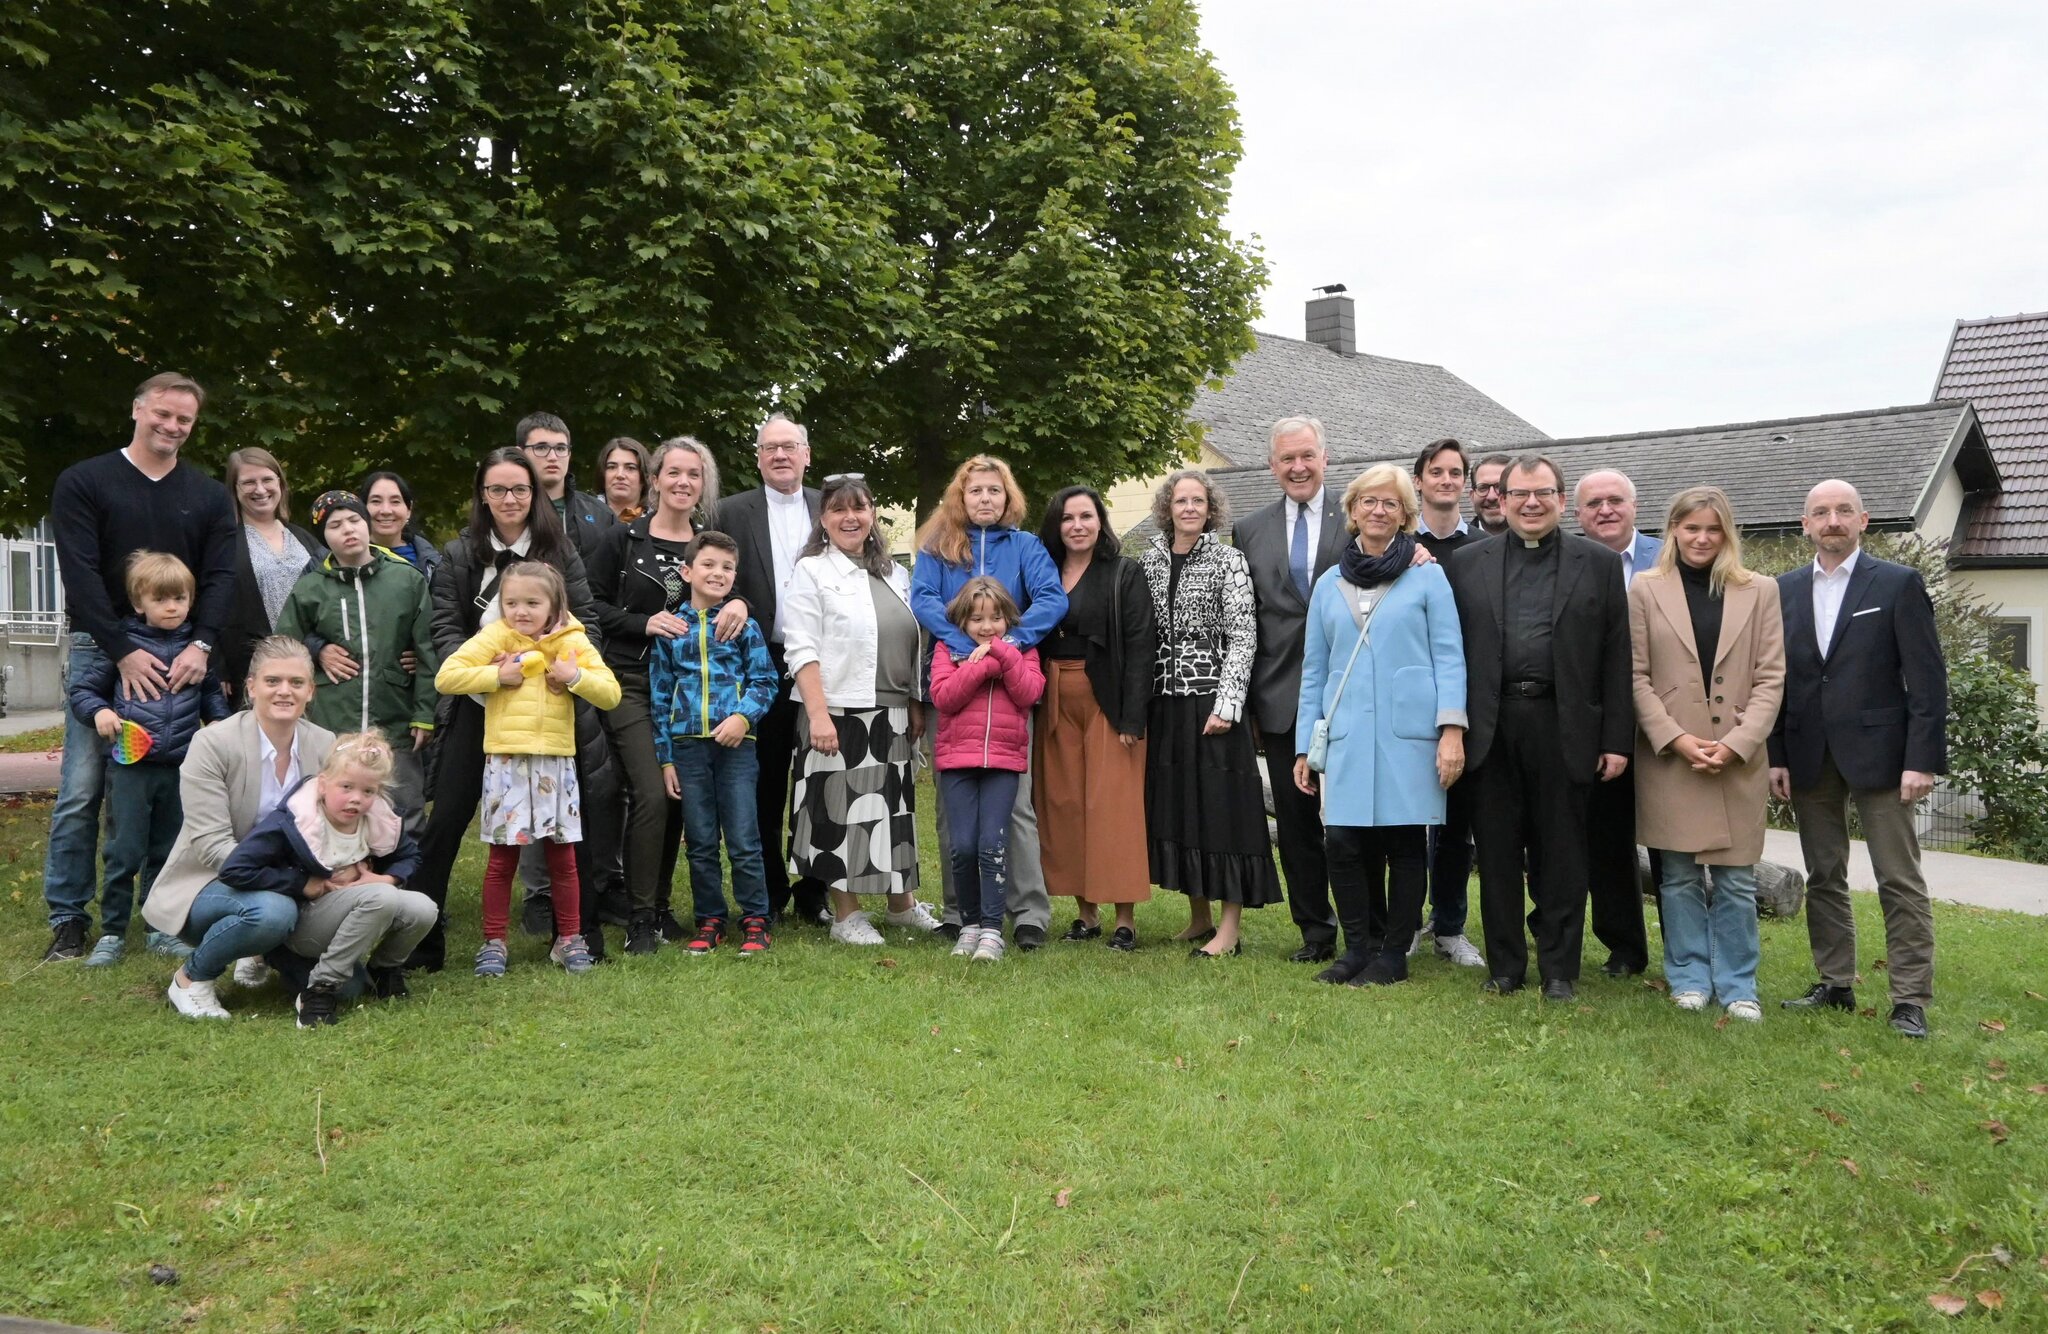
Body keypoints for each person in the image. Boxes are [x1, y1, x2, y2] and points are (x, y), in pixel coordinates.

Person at [44, 372, 237, 963]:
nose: (172, 426)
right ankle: (69, 917)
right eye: (163, 413)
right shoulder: (85, 481)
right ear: (137, 410)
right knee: (82, 789)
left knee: (171, 794)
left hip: (182, 654)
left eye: (184, 419)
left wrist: (201, 645)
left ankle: (161, 913)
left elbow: (220, 576)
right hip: (101, 648)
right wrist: (122, 650)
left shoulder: (209, 496)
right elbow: (78, 572)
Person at [407, 447, 607, 970]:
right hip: (480, 701)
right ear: (482, 495)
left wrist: (566, 672)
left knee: (570, 829)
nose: (509, 498)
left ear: (534, 493)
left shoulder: (560, 550)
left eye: (519, 488)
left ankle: (576, 936)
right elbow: (445, 627)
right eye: (497, 489)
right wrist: (489, 675)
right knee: (447, 817)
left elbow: (586, 621)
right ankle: (417, 939)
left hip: (550, 704)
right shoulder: (459, 554)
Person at [1449, 453, 1631, 1001]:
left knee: (1563, 855)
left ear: (1561, 500)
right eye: (1520, 494)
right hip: (1491, 726)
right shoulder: (1466, 563)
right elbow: (1448, 652)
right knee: (1497, 853)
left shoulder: (1598, 563)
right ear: (1501, 500)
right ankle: (1505, 966)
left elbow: (1617, 657)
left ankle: (1559, 969)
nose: (1531, 503)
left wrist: (1616, 739)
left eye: (1543, 493)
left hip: (1564, 725)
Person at [1768, 479, 1947, 1039]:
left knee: (1898, 877)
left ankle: (1910, 999)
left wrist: (1922, 759)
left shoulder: (1896, 583)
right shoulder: (1782, 590)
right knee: (1824, 874)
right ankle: (1835, 982)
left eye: (1844, 510)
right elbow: (1775, 681)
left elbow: (1927, 679)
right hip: (1808, 753)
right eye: (1821, 512)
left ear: (1863, 520)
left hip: (1884, 756)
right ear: (1805, 525)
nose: (1833, 521)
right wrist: (1776, 754)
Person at [1292, 465, 1467, 986]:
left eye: (1391, 503)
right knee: (1342, 841)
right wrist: (1304, 747)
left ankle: (1393, 954)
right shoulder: (1328, 584)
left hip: (1407, 734)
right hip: (1346, 733)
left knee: (1405, 843)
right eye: (1369, 501)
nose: (1378, 510)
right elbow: (1314, 669)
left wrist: (1451, 730)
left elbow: (1450, 657)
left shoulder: (1428, 576)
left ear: (1405, 514)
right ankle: (1356, 949)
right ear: (1352, 510)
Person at [587, 436, 751, 952]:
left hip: (692, 693)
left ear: (704, 484)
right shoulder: (622, 540)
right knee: (653, 792)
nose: (683, 482)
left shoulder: (708, 544)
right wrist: (643, 622)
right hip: (633, 682)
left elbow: (724, 590)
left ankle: (660, 907)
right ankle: (639, 917)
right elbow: (587, 606)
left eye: (694, 474)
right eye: (673, 472)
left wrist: (741, 603)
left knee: (681, 796)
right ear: (655, 479)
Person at [1630, 487, 1785, 1022]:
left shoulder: (1760, 590)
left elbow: (1771, 677)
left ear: (1727, 533)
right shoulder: (1645, 588)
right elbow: (1636, 676)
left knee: (1737, 881)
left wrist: (1739, 744)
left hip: (1737, 757)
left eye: (1712, 529)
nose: (1701, 538)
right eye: (1691, 527)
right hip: (1672, 757)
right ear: (1673, 529)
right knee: (1677, 878)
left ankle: (1739, 984)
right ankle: (1689, 977)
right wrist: (1674, 738)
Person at [434, 560, 620, 976]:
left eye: (533, 603)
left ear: (555, 605)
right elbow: (446, 677)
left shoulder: (573, 640)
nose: (520, 611)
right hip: (506, 762)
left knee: (563, 859)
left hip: (556, 762)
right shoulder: (495, 635)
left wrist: (574, 677)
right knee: (502, 860)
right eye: (511, 602)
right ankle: (494, 942)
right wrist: (496, 675)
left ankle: (568, 939)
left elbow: (610, 694)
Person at [911, 456, 1066, 948]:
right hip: (952, 685)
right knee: (952, 811)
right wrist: (963, 647)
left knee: (1015, 807)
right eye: (975, 490)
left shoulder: (1026, 546)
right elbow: (924, 599)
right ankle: (960, 912)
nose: (985, 498)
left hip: (1009, 690)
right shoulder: (938, 547)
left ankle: (1027, 912)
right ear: (961, 496)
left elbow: (1051, 598)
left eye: (994, 490)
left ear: (1007, 497)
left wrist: (1008, 646)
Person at [141, 636, 332, 1019]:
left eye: (296, 682)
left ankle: (260, 952)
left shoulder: (325, 744)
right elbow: (212, 846)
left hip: (294, 883)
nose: (284, 691)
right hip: (209, 881)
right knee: (273, 913)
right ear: (251, 687)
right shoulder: (212, 743)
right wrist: (293, 882)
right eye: (272, 681)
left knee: (351, 986)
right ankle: (190, 980)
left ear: (310, 691)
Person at [782, 475, 930, 944]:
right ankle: (846, 916)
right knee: (840, 815)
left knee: (893, 811)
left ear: (872, 514)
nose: (851, 517)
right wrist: (818, 714)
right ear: (823, 519)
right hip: (838, 712)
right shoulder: (811, 571)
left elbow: (911, 642)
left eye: (859, 508)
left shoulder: (894, 573)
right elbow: (801, 648)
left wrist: (914, 702)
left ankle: (902, 906)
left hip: (893, 710)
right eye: (839, 510)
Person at [1142, 470, 1283, 956]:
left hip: (1213, 702)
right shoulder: (1149, 560)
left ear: (1210, 509)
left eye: (1197, 501)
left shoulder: (1229, 559)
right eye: (1180, 500)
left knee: (1224, 811)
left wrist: (1229, 704)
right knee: (1183, 808)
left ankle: (1229, 927)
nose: (1189, 508)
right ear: (1167, 507)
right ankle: (1199, 916)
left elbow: (1243, 636)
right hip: (1165, 703)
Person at [67, 551, 231, 965]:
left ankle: (159, 927)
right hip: (130, 768)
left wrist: (219, 724)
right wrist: (100, 712)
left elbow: (212, 696)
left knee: (167, 852)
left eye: (179, 598)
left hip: (180, 770)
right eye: (161, 599)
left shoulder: (198, 652)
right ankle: (112, 932)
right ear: (139, 604)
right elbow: (83, 691)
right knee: (123, 852)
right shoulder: (122, 646)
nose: (172, 607)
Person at [217, 732, 437, 1027]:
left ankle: (384, 970)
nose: (356, 798)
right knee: (380, 899)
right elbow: (235, 869)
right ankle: (319, 989)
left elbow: (409, 856)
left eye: (368, 791)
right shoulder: (295, 820)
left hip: (358, 909)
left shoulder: (377, 820)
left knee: (424, 908)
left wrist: (386, 877)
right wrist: (302, 883)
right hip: (302, 921)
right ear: (323, 784)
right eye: (346, 787)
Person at [1230, 417, 1345, 963]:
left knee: (1356, 821)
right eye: (1287, 459)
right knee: (1297, 826)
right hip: (1279, 698)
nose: (1298, 467)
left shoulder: (1361, 513)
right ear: (1272, 465)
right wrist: (1249, 703)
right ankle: (1315, 931)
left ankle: (1370, 926)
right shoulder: (1249, 530)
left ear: (1325, 457)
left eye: (1307, 456)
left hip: (1351, 692)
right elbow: (1246, 620)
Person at [272, 491, 440, 835]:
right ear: (324, 538)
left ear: (367, 524)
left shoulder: (407, 580)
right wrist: (317, 654)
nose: (347, 529)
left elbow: (426, 650)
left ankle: (402, 869)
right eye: (335, 525)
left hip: (395, 718)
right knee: (330, 810)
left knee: (403, 810)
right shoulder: (311, 588)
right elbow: (284, 649)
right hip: (333, 719)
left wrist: (424, 713)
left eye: (354, 520)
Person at [712, 413, 825, 927]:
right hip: (763, 663)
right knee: (766, 781)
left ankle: (815, 891)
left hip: (823, 663)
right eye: (769, 448)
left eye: (789, 446)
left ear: (806, 454)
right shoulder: (729, 512)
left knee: (819, 779)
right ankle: (771, 892)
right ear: (758, 457)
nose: (780, 455)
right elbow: (716, 576)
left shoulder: (831, 507)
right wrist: (735, 599)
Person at [1033, 486, 1154, 951]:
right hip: (1053, 696)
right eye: (1068, 518)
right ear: (1056, 525)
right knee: (1064, 803)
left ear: (1100, 522)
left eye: (1086, 516)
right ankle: (1086, 913)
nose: (1077, 526)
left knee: (1112, 807)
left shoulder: (1124, 572)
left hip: (1109, 699)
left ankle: (1125, 919)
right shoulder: (1042, 572)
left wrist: (1132, 718)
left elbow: (1141, 646)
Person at [649, 531, 779, 957]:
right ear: (687, 572)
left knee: (743, 837)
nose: (717, 573)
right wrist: (666, 759)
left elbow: (765, 680)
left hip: (736, 748)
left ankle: (756, 917)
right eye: (708, 564)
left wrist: (743, 718)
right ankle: (710, 919)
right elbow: (660, 695)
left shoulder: (744, 626)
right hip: (687, 748)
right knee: (701, 840)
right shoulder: (672, 630)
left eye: (727, 567)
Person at [516, 411, 621, 930]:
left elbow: (602, 596)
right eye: (541, 447)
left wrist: (585, 660)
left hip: (584, 662)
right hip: (524, 668)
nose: (552, 456)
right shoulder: (515, 513)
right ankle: (539, 893)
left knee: (596, 779)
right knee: (534, 778)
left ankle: (601, 880)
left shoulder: (597, 515)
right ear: (522, 454)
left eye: (560, 447)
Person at [1573, 468, 1663, 977]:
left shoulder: (1669, 557)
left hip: (1666, 722)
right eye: (1593, 504)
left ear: (1635, 506)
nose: (1605, 510)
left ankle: (1687, 948)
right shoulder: (1572, 562)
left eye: (1615, 500)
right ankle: (1624, 947)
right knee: (1607, 840)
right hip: (1600, 721)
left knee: (1672, 844)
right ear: (1578, 514)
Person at [932, 578, 1047, 962]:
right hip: (957, 763)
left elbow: (1030, 692)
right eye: (977, 619)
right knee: (962, 846)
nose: (987, 627)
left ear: (1008, 619)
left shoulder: (1024, 651)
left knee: (992, 845)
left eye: (996, 618)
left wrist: (1002, 654)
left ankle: (993, 930)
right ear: (962, 621)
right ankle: (969, 925)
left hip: (1003, 763)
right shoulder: (947, 649)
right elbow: (943, 697)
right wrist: (980, 667)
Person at [1407, 437, 1485, 967]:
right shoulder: (1397, 543)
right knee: (1408, 822)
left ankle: (1450, 927)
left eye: (1456, 473)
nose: (1446, 480)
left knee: (1457, 823)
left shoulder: (1483, 547)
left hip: (1466, 700)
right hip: (1410, 700)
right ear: (1419, 481)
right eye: (1436, 471)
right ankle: (1408, 921)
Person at [223, 447, 321, 696]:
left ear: (280, 484)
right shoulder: (223, 542)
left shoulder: (305, 540)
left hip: (310, 665)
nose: (260, 489)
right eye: (249, 482)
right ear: (234, 489)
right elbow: (210, 602)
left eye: (267, 479)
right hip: (252, 669)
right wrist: (217, 665)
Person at [361, 470, 443, 578]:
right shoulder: (347, 559)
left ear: (409, 509)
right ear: (362, 508)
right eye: (376, 501)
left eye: (395, 501)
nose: (386, 511)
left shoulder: (434, 562)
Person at [595, 437, 651, 522]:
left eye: (630, 468)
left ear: (644, 476)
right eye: (612, 467)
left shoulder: (659, 522)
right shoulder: (582, 516)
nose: (620, 475)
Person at [1470, 453, 1513, 537]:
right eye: (1483, 488)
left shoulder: (1537, 542)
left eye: (1500, 487)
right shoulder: (1458, 544)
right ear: (1472, 496)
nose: (1491, 497)